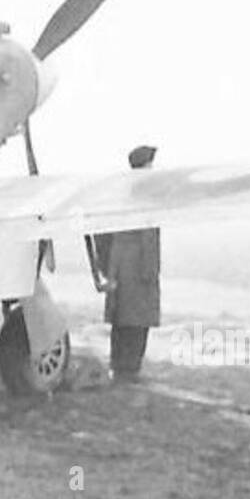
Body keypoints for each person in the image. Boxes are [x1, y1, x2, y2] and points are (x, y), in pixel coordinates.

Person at [92, 143, 160, 379]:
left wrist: (106, 266)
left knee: (121, 319)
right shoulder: (146, 196)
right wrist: (151, 270)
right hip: (138, 265)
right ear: (144, 167)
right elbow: (149, 236)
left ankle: (118, 365)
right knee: (138, 321)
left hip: (118, 264)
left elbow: (101, 232)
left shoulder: (119, 194)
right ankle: (130, 369)